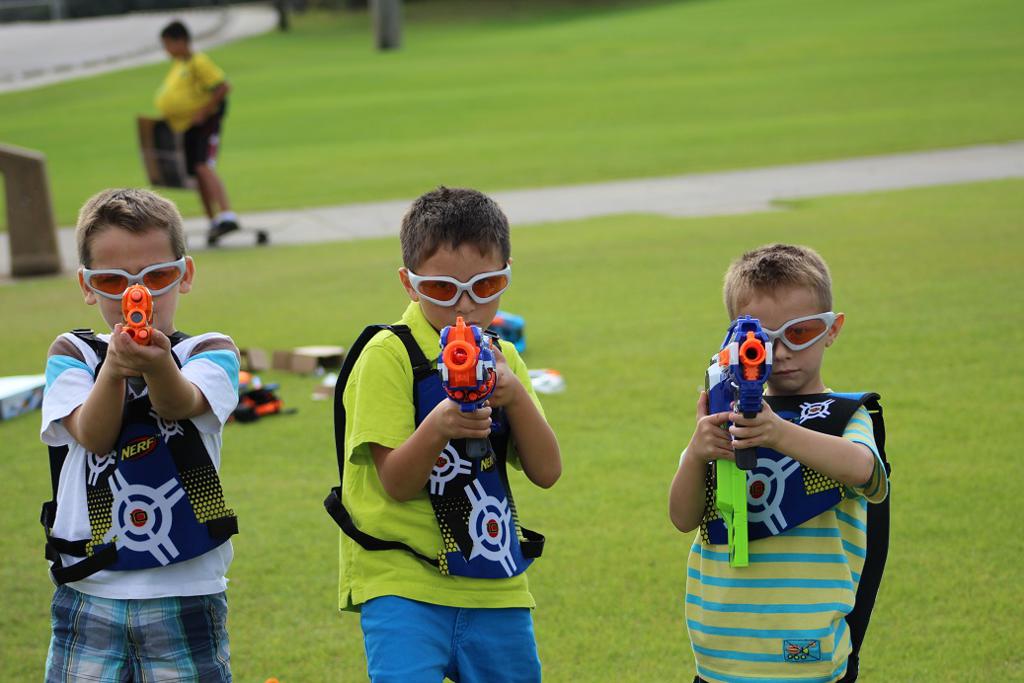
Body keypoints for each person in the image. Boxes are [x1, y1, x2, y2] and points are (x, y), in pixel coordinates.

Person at [327, 186, 562, 682]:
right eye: (441, 289)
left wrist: (515, 394)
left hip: (494, 579)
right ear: (409, 284)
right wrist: (439, 424)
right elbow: (396, 482)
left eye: (485, 286)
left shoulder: (505, 359)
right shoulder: (387, 355)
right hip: (403, 581)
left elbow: (547, 471)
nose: (464, 306)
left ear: (506, 276)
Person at [40, 188, 240, 681]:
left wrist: (156, 365)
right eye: (113, 280)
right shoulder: (73, 353)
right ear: (87, 286)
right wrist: (113, 370)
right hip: (89, 586)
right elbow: (93, 434)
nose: (139, 294)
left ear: (184, 275)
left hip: (186, 585)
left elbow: (180, 403)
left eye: (158, 276)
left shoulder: (210, 351)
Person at [669, 244, 890, 683]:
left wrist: (778, 433)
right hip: (721, 653)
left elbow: (864, 470)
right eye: (763, 339)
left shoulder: (844, 414)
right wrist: (696, 453)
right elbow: (682, 517)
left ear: (832, 329)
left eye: (801, 332)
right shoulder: (724, 411)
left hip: (807, 652)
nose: (782, 351)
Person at [156, 20, 241, 245]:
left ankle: (227, 214)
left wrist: (203, 112)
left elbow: (222, 87)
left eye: (168, 44)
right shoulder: (179, 65)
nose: (166, 50)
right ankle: (213, 221)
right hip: (186, 128)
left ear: (181, 41)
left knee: (204, 166)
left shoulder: (198, 62)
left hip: (205, 124)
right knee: (196, 172)